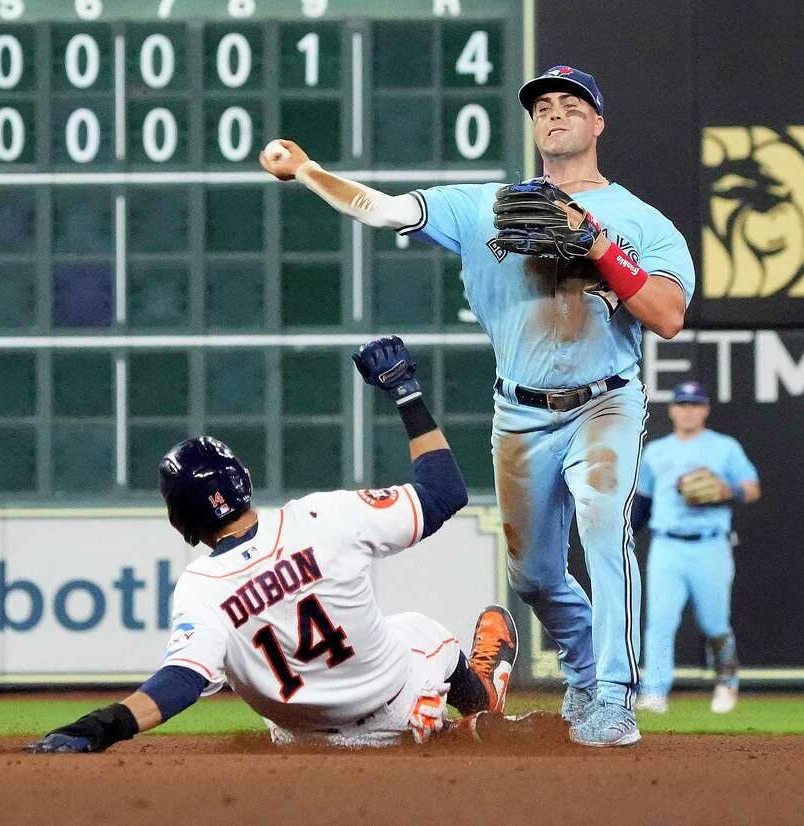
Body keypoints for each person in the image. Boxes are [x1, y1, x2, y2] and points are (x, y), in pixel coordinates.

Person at [259, 66, 694, 747]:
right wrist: (311, 170)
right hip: (519, 413)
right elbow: (387, 209)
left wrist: (600, 245)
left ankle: (613, 697)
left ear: (598, 122)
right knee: (535, 576)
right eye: (543, 106)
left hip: (604, 402)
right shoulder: (486, 206)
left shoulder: (644, 222)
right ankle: (583, 668)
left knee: (604, 528)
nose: (554, 114)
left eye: (570, 104)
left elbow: (667, 316)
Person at [25, 336, 518, 752]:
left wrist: (96, 729)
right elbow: (445, 492)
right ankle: (481, 713)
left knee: (262, 682)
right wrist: (405, 393)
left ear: (181, 521)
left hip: (309, 747)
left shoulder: (200, 589)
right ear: (244, 480)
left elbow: (179, 683)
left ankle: (441, 721)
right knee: (420, 629)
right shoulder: (322, 517)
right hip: (398, 703)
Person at [630, 380, 760, 714]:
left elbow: (752, 488)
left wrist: (725, 491)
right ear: (672, 410)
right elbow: (642, 503)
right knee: (660, 620)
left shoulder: (724, 447)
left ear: (705, 409)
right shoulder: (655, 452)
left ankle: (727, 683)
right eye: (683, 404)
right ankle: (655, 691)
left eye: (695, 404)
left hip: (710, 544)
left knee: (715, 623)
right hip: (667, 545)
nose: (689, 411)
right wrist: (627, 534)